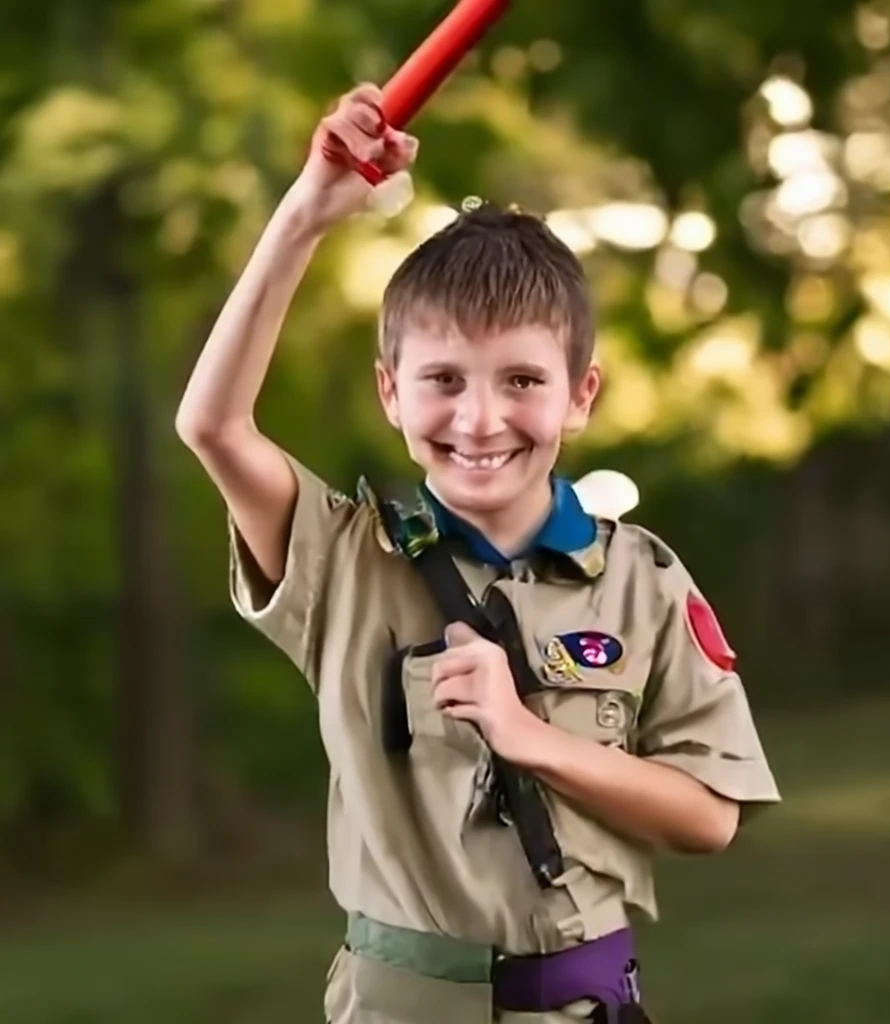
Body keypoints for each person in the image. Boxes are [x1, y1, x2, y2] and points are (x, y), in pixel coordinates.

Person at [176, 84, 782, 1024]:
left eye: (523, 381)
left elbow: (708, 816)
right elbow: (213, 425)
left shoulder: (642, 580)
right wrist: (306, 214)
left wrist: (529, 736)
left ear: (581, 395)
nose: (481, 419)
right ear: (390, 391)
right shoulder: (344, 559)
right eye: (444, 380)